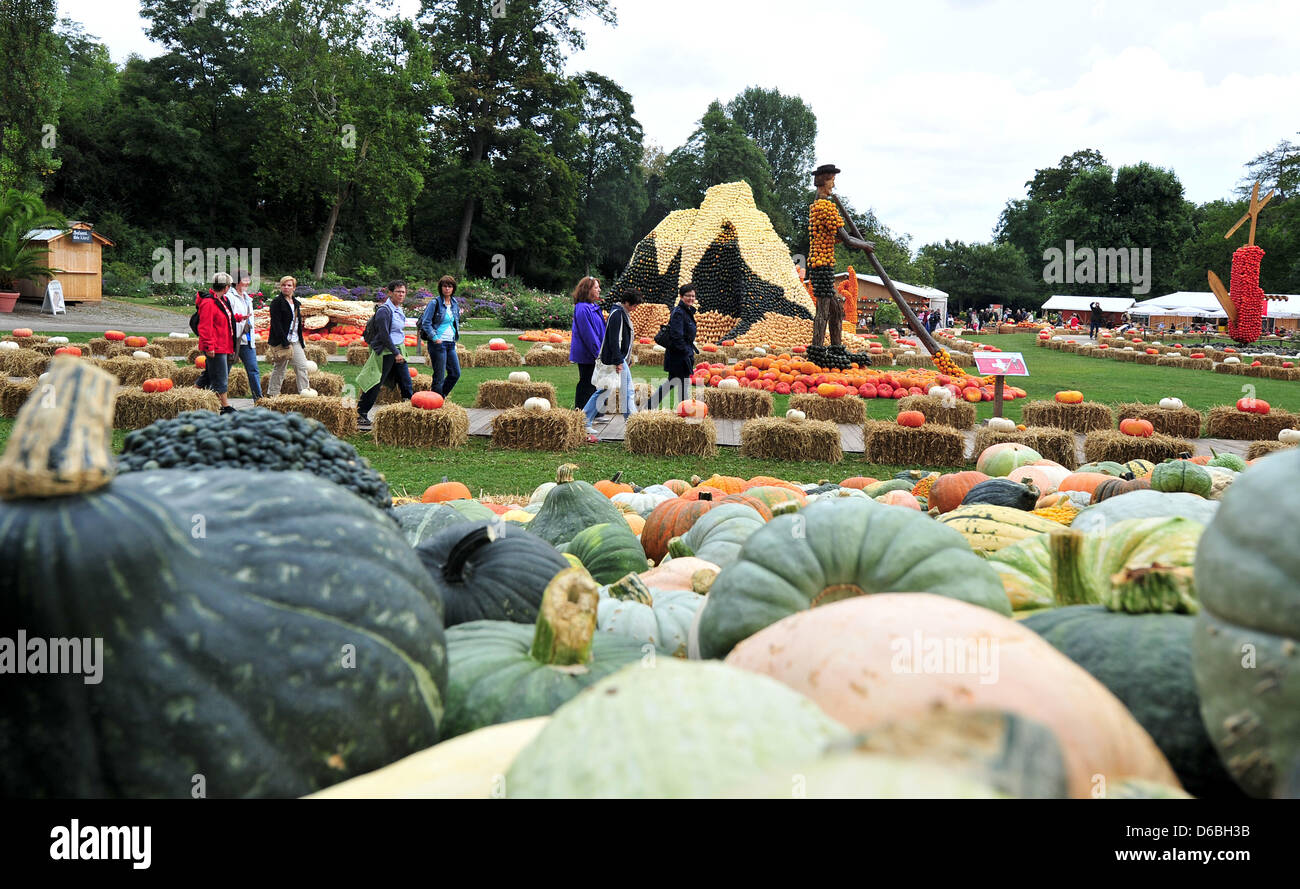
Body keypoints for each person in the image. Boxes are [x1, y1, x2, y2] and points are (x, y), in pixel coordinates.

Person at [807, 164, 873, 347]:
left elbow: (833, 237)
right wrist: (865, 245)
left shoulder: (815, 207)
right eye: (832, 181)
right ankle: (817, 349)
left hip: (821, 263)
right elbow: (847, 240)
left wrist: (854, 235)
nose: (833, 186)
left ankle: (836, 347)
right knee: (823, 311)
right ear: (823, 182)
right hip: (822, 265)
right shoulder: (825, 208)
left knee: (835, 309)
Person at [582, 288, 643, 439]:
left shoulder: (622, 313)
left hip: (619, 358)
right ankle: (631, 422)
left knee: (614, 390)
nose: (635, 308)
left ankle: (585, 420)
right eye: (634, 305)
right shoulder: (617, 315)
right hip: (615, 359)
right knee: (611, 391)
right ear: (627, 302)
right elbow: (614, 340)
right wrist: (618, 361)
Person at [356, 281, 413, 432]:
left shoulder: (398, 309)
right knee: (376, 382)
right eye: (398, 292)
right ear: (390, 293)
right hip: (387, 352)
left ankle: (411, 413)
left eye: (403, 292)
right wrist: (396, 353)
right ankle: (361, 413)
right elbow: (384, 335)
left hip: (398, 350)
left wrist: (400, 351)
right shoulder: (384, 311)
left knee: (406, 382)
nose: (401, 295)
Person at [651, 284, 700, 412]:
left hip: (682, 354)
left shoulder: (687, 311)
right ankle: (684, 410)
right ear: (681, 296)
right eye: (688, 296)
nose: (691, 298)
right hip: (679, 355)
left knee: (674, 382)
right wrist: (685, 351)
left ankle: (651, 406)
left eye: (693, 296)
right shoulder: (679, 312)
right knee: (680, 384)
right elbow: (676, 336)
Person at [195, 272, 238, 414]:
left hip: (224, 344)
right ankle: (225, 407)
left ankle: (191, 396)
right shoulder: (208, 302)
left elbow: (223, 318)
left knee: (209, 374)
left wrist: (237, 318)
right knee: (220, 376)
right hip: (215, 346)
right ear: (226, 287)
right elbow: (205, 327)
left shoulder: (221, 300)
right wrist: (209, 346)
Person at [266, 275, 312, 397]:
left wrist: (301, 342)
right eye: (284, 285)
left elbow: (297, 324)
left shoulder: (296, 303)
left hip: (295, 340)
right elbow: (276, 324)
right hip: (281, 341)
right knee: (279, 369)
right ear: (281, 287)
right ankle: (273, 394)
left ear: (294, 288)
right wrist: (284, 342)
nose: (286, 287)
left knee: (302, 367)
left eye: (289, 285)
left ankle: (305, 394)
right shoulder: (277, 302)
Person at [419, 275, 462, 398]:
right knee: (439, 376)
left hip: (450, 343)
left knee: (455, 373)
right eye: (444, 286)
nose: (447, 289)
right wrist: (435, 338)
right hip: (438, 344)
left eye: (450, 286)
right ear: (440, 288)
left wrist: (454, 337)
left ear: (453, 288)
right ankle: (435, 403)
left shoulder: (454, 303)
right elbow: (425, 323)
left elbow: (454, 322)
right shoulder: (435, 303)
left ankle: (439, 398)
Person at [569, 276, 606, 409]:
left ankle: (595, 412)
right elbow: (588, 334)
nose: (599, 290)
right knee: (587, 381)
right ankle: (581, 411)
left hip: (595, 351)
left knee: (595, 382)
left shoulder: (593, 307)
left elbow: (601, 330)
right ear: (587, 290)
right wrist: (598, 353)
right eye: (596, 287)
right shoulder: (582, 308)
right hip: (587, 353)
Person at [228, 270, 262, 400]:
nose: (247, 283)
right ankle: (217, 399)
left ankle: (258, 399)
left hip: (247, 341)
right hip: (233, 341)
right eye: (245, 280)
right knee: (225, 371)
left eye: (248, 280)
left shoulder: (248, 298)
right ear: (236, 281)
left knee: (253, 370)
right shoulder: (229, 297)